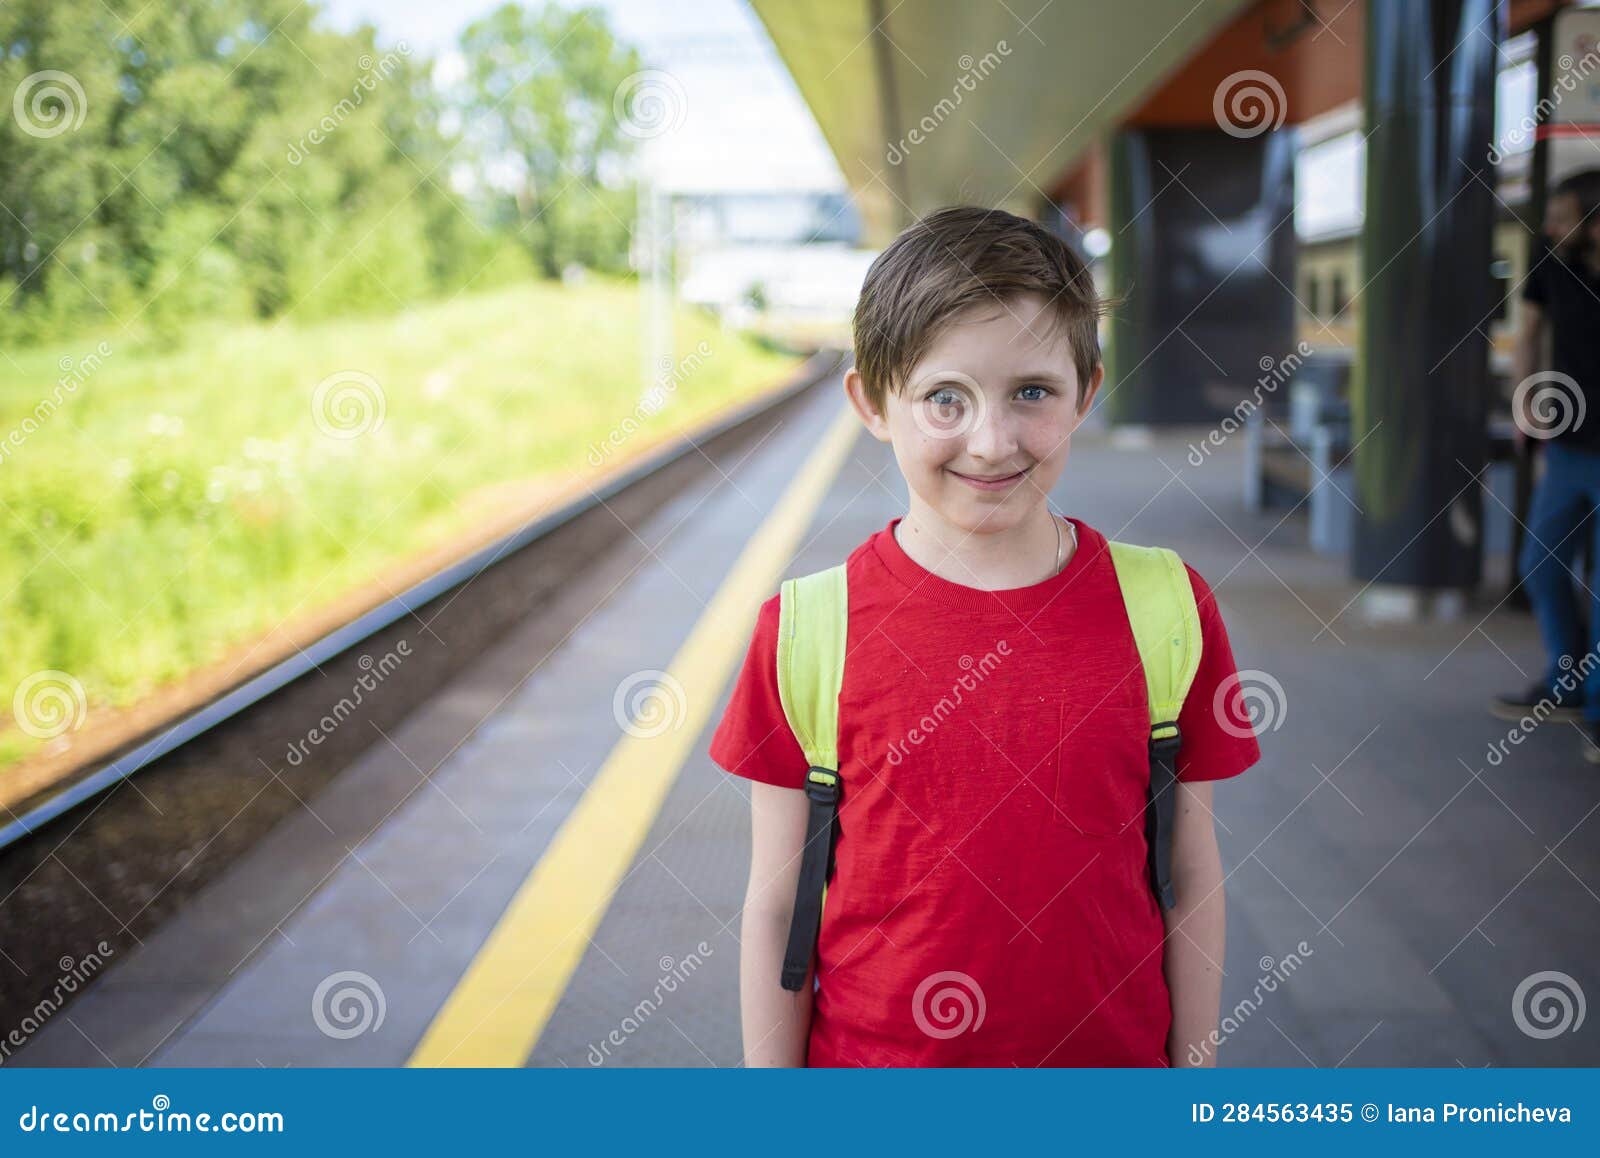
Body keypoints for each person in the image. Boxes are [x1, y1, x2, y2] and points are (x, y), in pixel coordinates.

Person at [708, 206, 1262, 1067]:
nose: (992, 442)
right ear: (872, 402)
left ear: (1088, 391)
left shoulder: (1168, 610)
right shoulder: (809, 631)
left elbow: (1188, 877)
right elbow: (778, 913)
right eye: (944, 399)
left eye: (1032, 393)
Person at [1491, 168, 1600, 762]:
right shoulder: (1551, 263)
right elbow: (1528, 333)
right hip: (1567, 445)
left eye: (1566, 216)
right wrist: (1524, 398)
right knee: (1543, 562)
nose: (1553, 226)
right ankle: (1567, 679)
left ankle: (1597, 705)